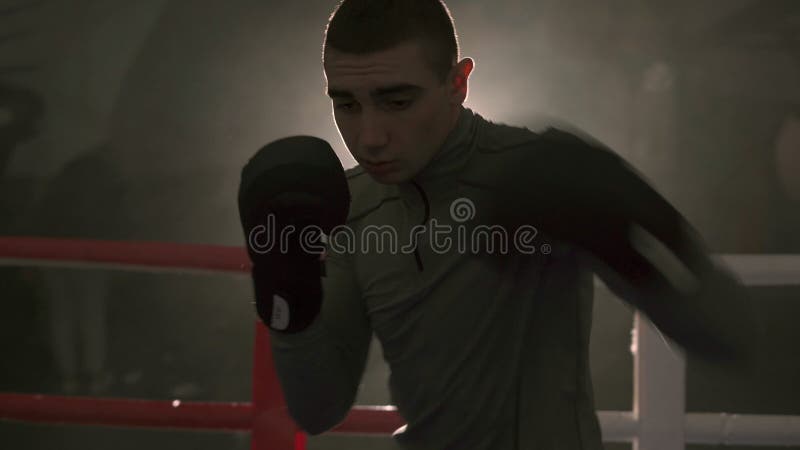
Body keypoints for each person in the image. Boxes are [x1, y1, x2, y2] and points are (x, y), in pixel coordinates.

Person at [238, 1, 760, 448]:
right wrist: (286, 292)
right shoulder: (346, 207)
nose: (370, 136)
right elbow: (317, 409)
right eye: (346, 105)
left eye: (397, 101)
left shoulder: (532, 173)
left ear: (458, 83)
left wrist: (643, 243)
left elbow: (727, 339)